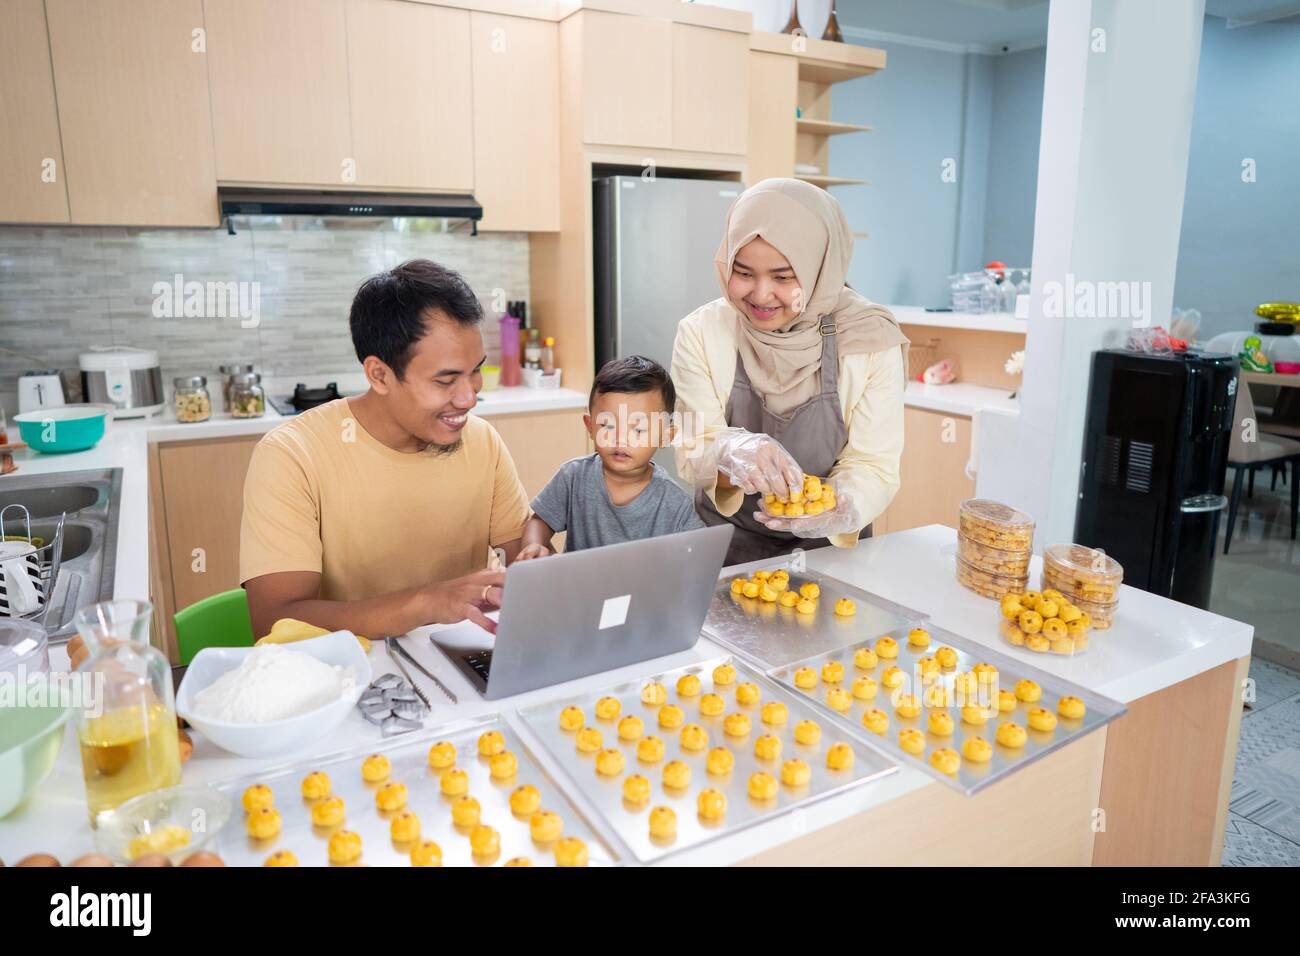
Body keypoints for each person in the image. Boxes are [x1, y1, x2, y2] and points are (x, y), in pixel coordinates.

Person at [239, 259, 531, 638]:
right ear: (379, 374)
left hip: (460, 665)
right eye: (445, 380)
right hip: (349, 675)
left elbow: (525, 565)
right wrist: (425, 603)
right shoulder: (293, 455)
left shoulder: (482, 441)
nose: (469, 397)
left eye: (475, 370)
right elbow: (275, 620)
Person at [671, 178, 908, 564]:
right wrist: (729, 451)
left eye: (783, 277)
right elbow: (692, 446)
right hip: (726, 544)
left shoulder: (869, 337)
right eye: (743, 272)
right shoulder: (702, 331)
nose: (761, 295)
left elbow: (873, 462)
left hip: (831, 549)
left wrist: (839, 507)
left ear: (820, 269)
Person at [518, 355, 704, 558]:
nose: (621, 439)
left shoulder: (674, 501)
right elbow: (539, 521)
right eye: (608, 425)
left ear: (666, 436)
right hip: (580, 589)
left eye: (639, 429)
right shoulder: (572, 477)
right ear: (590, 426)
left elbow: (700, 552)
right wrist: (534, 544)